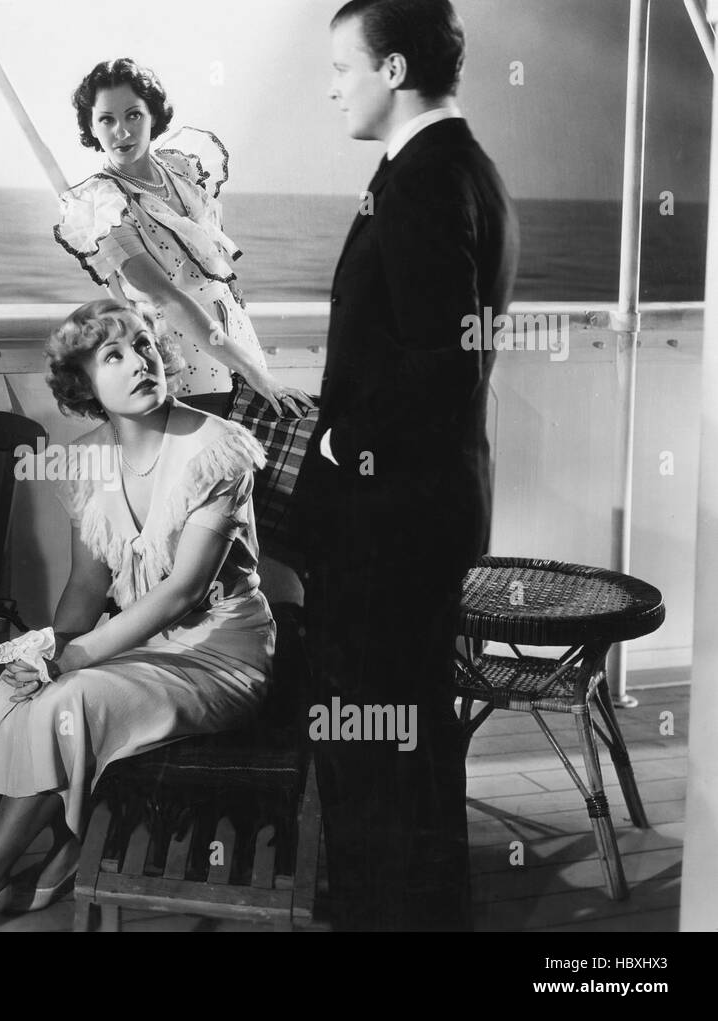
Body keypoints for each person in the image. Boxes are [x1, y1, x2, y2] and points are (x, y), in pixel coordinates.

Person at [290, 0, 520, 930]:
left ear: (392, 71)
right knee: (405, 734)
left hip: (391, 515)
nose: (332, 85)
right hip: (425, 506)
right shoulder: (460, 169)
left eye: (342, 66)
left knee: (377, 738)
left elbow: (446, 360)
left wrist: (344, 441)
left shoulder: (425, 180)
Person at [0, 299, 277, 931]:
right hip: (136, 647)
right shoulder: (85, 460)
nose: (139, 362)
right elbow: (86, 587)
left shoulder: (220, 449)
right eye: (113, 356)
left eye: (146, 345)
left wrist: (75, 658)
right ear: (84, 383)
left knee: (71, 698)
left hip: (220, 656)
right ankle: (69, 845)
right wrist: (48, 649)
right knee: (23, 691)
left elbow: (180, 593)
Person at [54, 58, 313, 423]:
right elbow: (166, 297)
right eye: (106, 120)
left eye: (133, 115)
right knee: (209, 469)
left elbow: (215, 261)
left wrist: (251, 362)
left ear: (153, 116)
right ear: (91, 128)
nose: (122, 132)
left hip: (238, 344)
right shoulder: (104, 207)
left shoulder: (182, 170)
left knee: (253, 467)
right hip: (179, 363)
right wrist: (256, 373)